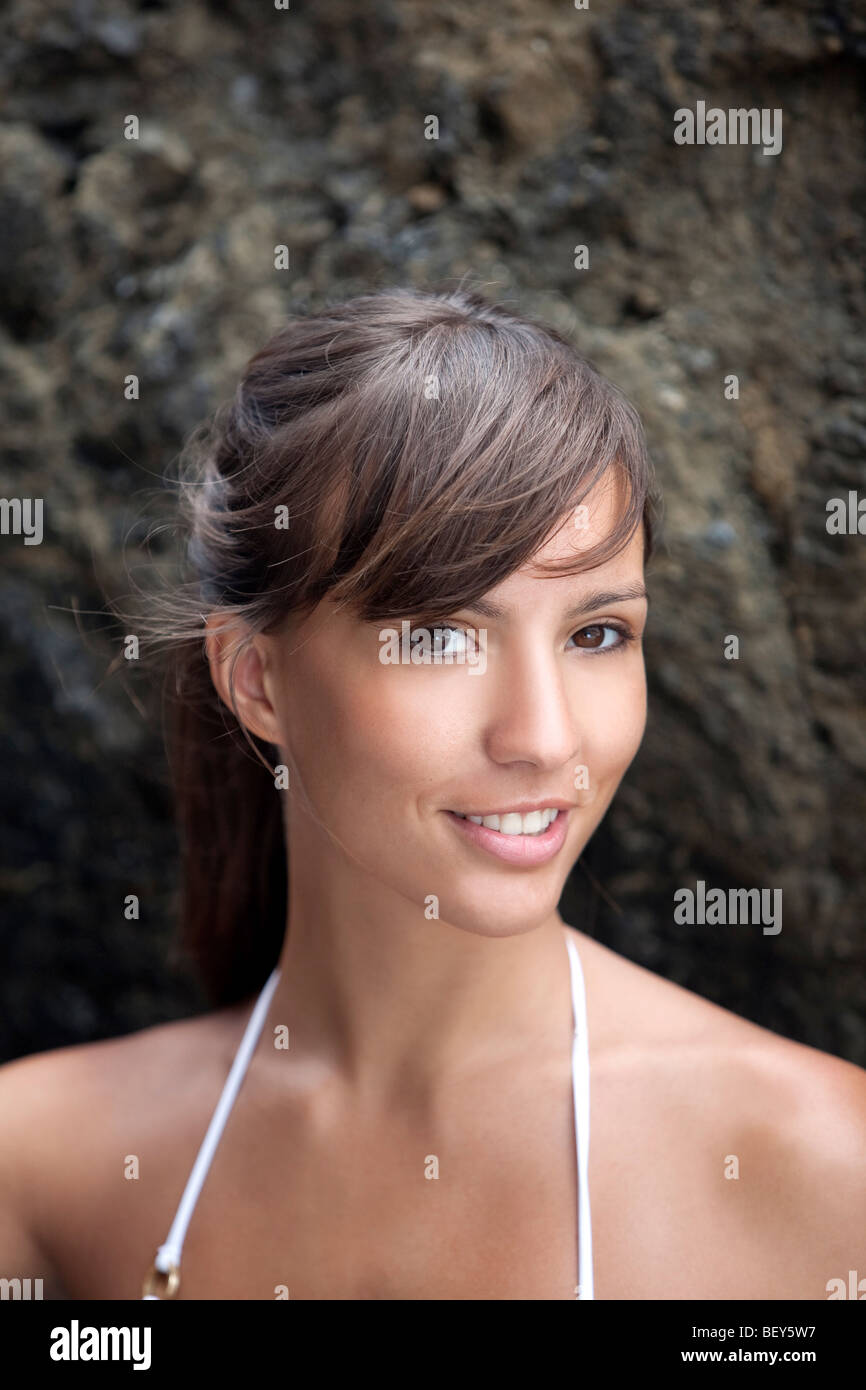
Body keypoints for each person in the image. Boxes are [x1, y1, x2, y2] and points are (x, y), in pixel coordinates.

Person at [1, 286, 864, 1300]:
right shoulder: (45, 1164)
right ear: (258, 680)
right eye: (436, 636)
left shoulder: (817, 1168)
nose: (543, 738)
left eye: (595, 634)